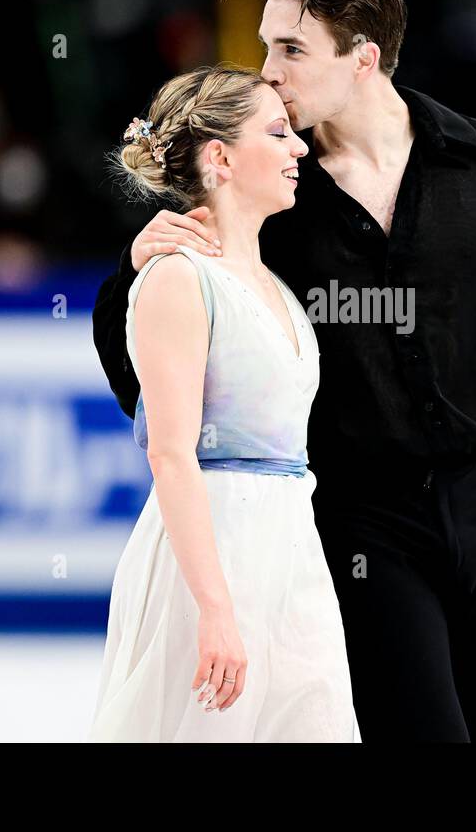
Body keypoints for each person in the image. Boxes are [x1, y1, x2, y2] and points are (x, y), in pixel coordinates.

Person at [93, 0, 476, 742]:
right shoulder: (274, 185)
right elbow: (156, 349)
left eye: (290, 49)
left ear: (363, 58)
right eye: (266, 45)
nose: (268, 71)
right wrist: (132, 266)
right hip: (355, 520)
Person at [88, 64, 356, 742]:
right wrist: (214, 607)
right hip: (213, 558)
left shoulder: (278, 286)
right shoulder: (179, 278)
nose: (299, 147)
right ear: (220, 158)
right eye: (277, 133)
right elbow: (171, 453)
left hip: (291, 557)